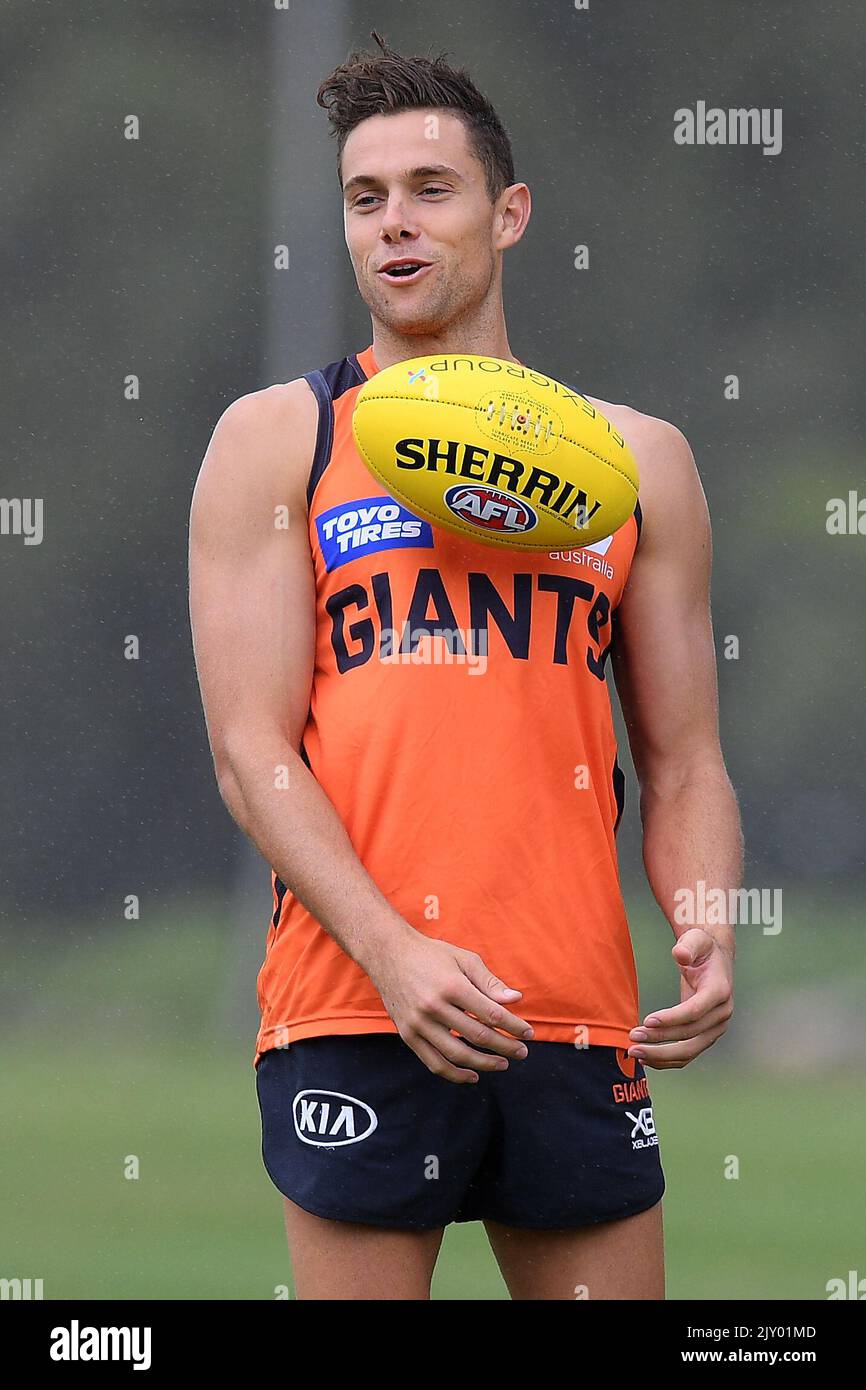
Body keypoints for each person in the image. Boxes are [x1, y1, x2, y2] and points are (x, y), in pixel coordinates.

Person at [188, 32, 742, 1301]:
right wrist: (392, 951)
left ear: (508, 212)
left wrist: (704, 919)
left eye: (429, 191)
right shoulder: (282, 436)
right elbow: (249, 748)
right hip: (358, 1008)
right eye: (363, 197)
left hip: (574, 1013)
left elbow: (682, 754)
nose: (394, 224)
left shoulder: (635, 459)